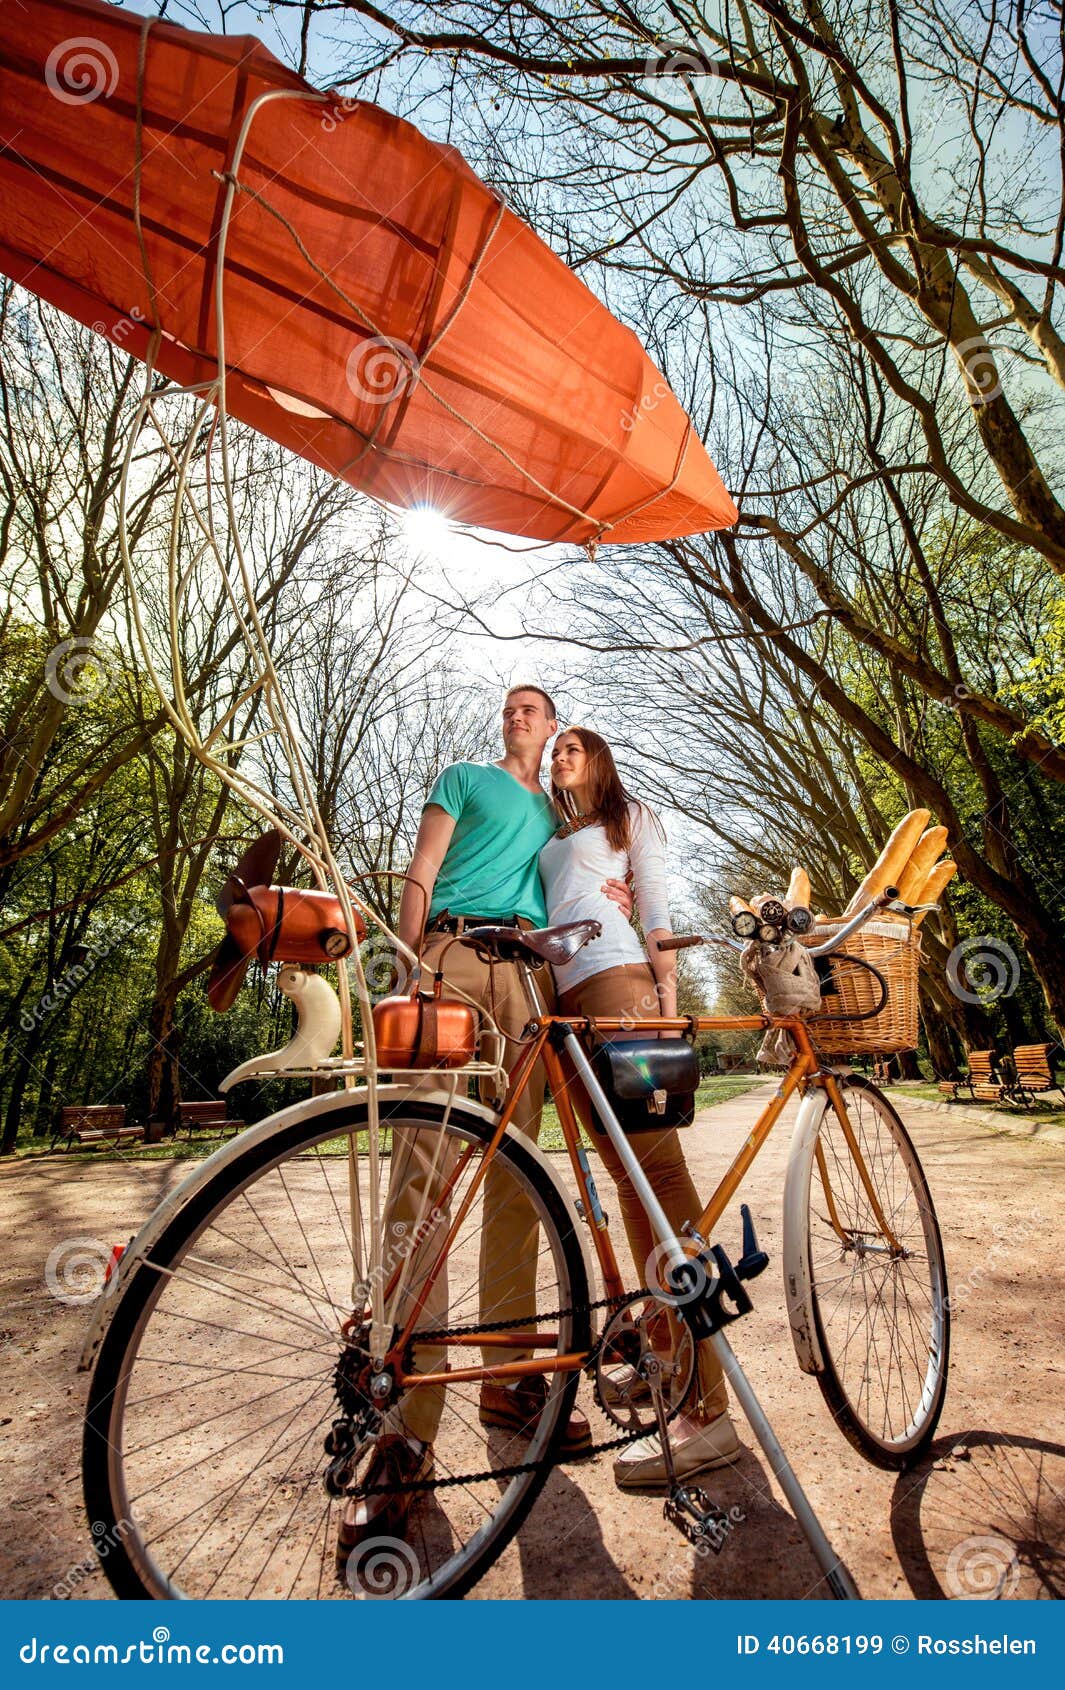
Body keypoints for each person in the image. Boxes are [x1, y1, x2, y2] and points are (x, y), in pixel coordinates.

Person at [341, 686, 631, 1556]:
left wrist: (619, 886)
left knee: (519, 1183)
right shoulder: (463, 777)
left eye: (534, 708)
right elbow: (422, 869)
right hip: (455, 958)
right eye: (509, 705)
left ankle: (509, 1381)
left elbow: (596, 864)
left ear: (552, 732)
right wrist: (406, 959)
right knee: (425, 1172)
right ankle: (400, 1425)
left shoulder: (557, 813)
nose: (518, 713)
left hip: (531, 981)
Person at [540, 725, 740, 1491]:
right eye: (554, 751)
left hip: (621, 981)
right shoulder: (557, 835)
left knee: (658, 1180)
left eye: (573, 748)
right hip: (562, 999)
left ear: (599, 760)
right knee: (626, 1184)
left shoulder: (632, 818)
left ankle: (708, 1410)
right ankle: (669, 1359)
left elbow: (652, 903)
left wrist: (664, 1000)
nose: (561, 758)